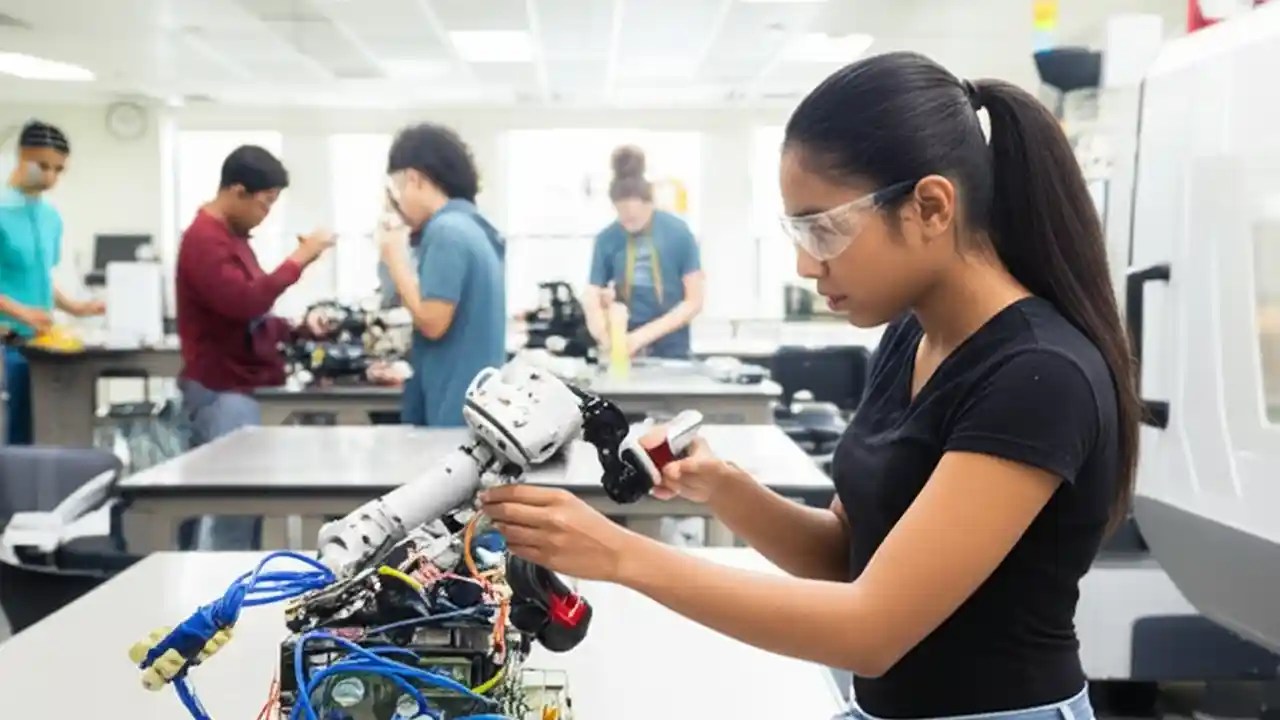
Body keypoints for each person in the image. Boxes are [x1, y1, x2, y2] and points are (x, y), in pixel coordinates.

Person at [480, 51, 1140, 720]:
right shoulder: (912, 338)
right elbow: (845, 555)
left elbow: (870, 628)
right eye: (796, 231)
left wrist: (622, 555)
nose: (803, 262)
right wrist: (724, 488)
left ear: (931, 207)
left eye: (823, 228)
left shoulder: (1038, 376)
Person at [175, 145, 334, 547]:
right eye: (265, 204)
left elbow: (249, 316)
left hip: (238, 384)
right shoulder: (204, 241)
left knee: (240, 505)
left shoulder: (232, 238)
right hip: (221, 388)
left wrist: (297, 329)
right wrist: (300, 259)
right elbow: (244, 301)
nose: (267, 215)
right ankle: (219, 598)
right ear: (237, 191)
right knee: (232, 507)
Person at [376, 123, 506, 427]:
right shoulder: (475, 228)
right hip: (475, 408)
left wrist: (395, 257)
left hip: (452, 414)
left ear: (413, 179)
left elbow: (433, 322)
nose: (399, 206)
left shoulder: (447, 232)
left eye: (398, 191)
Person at [0, 120, 105, 445]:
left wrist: (76, 307)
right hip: (6, 342)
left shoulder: (49, 217)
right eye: (42, 165)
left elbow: (39, 277)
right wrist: (22, 312)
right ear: (21, 156)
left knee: (37, 438)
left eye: (58, 169)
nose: (50, 177)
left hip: (39, 347)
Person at [583, 146, 704, 359]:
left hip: (672, 348)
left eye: (636, 217)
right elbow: (592, 295)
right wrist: (604, 335)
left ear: (650, 204)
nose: (629, 222)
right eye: (623, 216)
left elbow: (694, 301)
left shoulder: (679, 233)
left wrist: (643, 336)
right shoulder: (607, 239)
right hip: (625, 347)